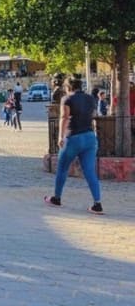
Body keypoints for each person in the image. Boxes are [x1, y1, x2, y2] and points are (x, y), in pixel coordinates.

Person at [45, 77, 104, 214]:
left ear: (68, 87)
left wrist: (60, 136)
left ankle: (57, 198)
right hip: (90, 137)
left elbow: (64, 117)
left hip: (74, 137)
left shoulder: (67, 99)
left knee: (62, 168)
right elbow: (93, 114)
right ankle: (97, 203)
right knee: (90, 171)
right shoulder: (90, 98)